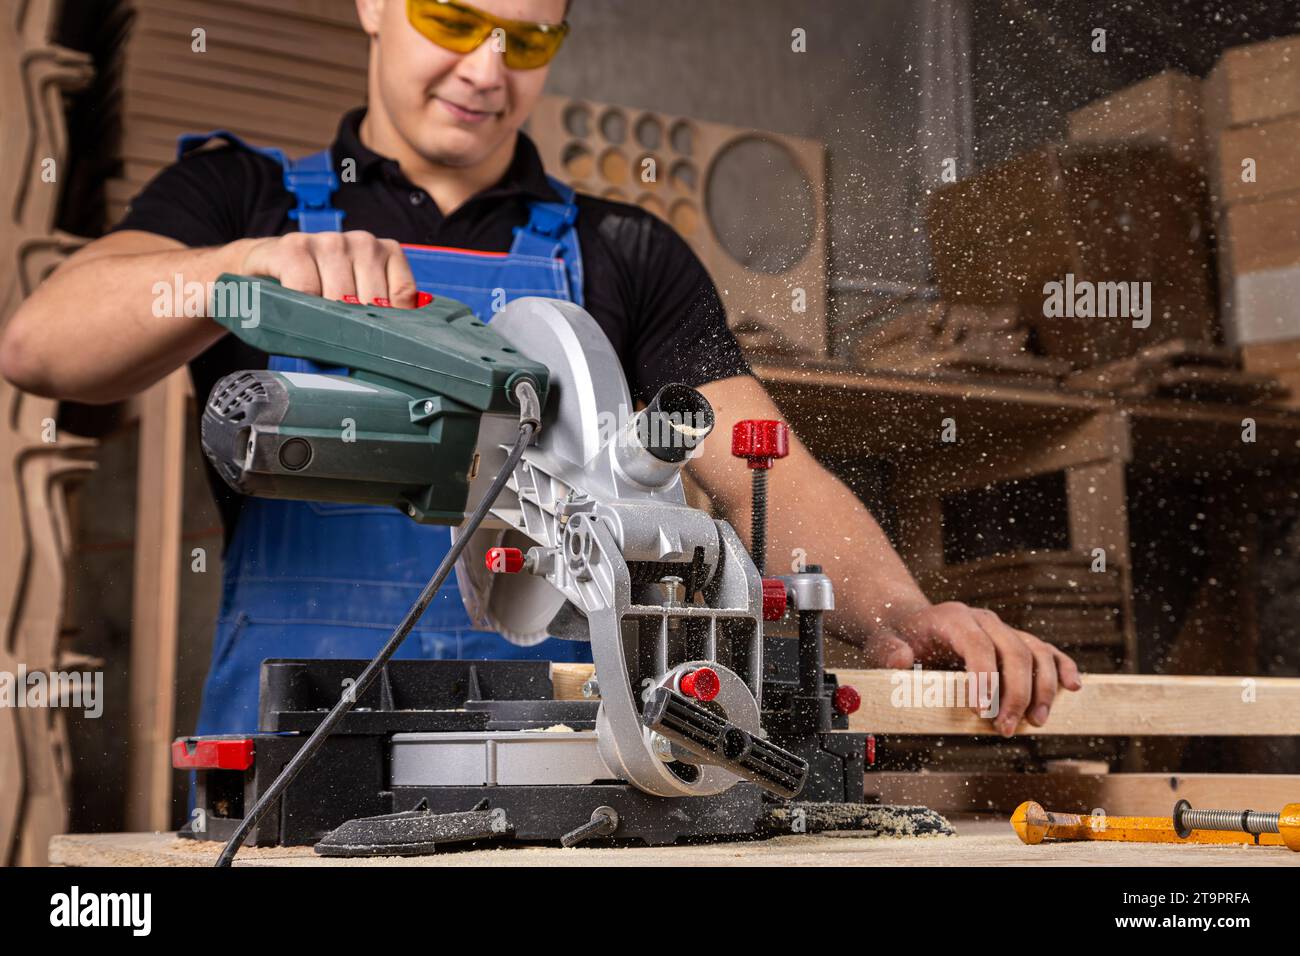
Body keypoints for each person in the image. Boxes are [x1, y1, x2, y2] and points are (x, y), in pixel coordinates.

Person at [0, 0, 1080, 736]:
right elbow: (41, 344)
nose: (485, 70)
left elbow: (766, 470)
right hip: (293, 749)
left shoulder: (625, 252)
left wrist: (901, 613)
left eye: (526, 40)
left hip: (552, 754)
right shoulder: (244, 198)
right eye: (451, 20)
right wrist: (237, 271)